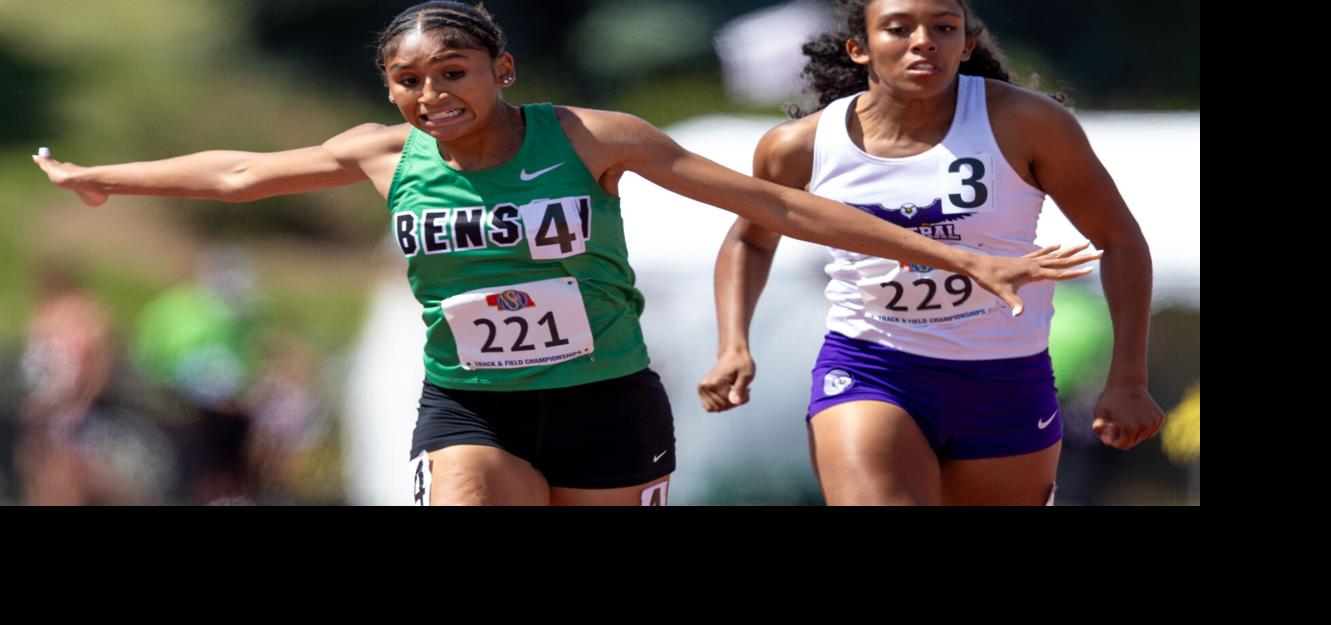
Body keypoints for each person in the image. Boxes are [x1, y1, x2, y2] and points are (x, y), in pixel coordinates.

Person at [32, 0, 1096, 506]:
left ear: (498, 68)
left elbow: (774, 207)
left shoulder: (592, 139)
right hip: (470, 404)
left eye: (452, 73)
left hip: (604, 401)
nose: (430, 97)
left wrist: (961, 259)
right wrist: (109, 177)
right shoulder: (379, 155)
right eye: (409, 82)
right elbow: (235, 174)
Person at [696, 0, 1164, 505]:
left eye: (944, 27)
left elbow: (1120, 241)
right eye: (898, 28)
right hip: (872, 365)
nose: (923, 41)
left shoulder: (1028, 122)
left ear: (965, 45)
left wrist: (1129, 380)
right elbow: (750, 237)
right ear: (859, 48)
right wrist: (732, 345)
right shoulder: (798, 146)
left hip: (1004, 375)